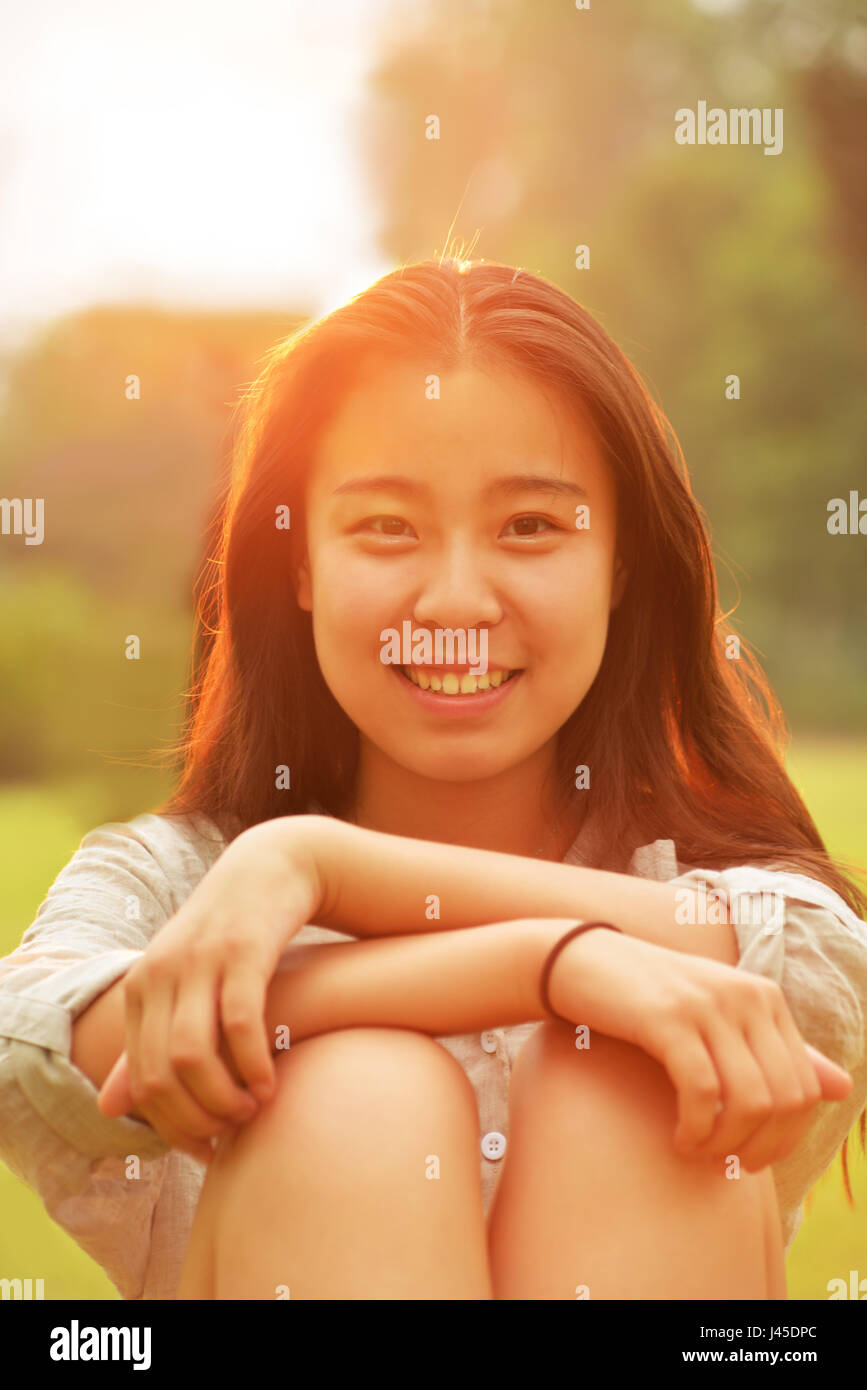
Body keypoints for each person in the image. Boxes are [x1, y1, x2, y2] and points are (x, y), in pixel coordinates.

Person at [1, 257, 865, 1301]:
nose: (456, 597)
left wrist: (317, 863)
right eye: (387, 527)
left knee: (626, 1080)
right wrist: (549, 964)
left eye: (532, 526)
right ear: (303, 565)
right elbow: (40, 1044)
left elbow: (817, 962)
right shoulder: (177, 882)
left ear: (622, 565)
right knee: (354, 1099)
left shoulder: (726, 895)